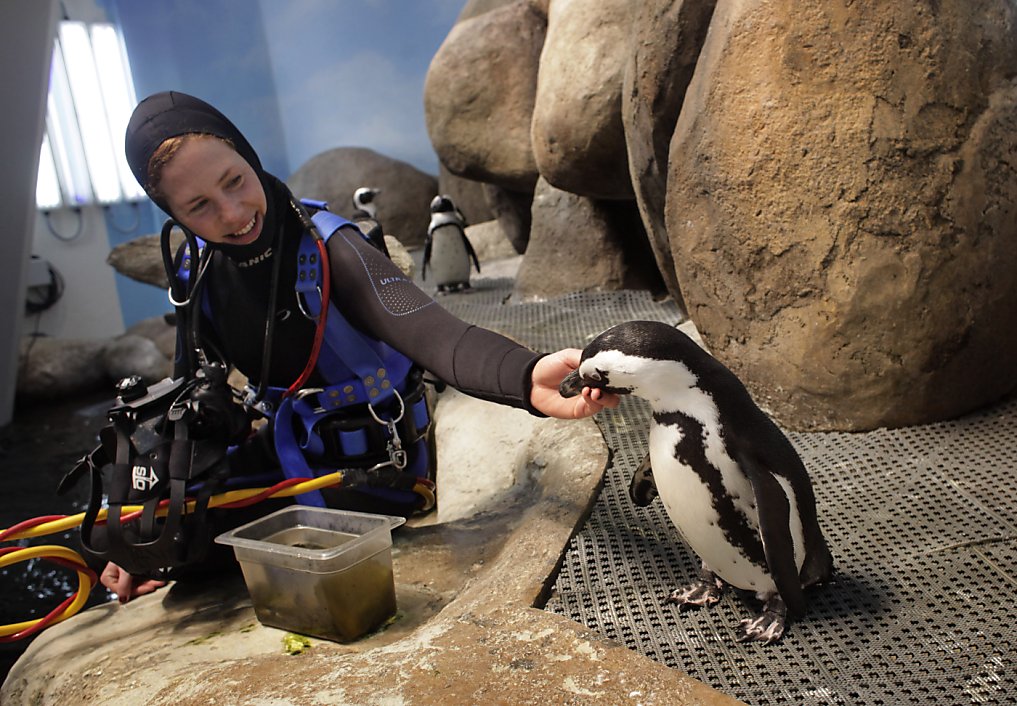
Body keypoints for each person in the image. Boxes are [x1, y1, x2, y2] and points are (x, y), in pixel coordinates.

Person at [100, 91, 617, 603]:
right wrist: (147, 520)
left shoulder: (327, 247)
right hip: (287, 458)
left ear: (247, 156)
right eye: (200, 206)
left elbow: (435, 334)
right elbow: (186, 406)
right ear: (173, 214)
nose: (233, 213)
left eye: (234, 181)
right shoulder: (199, 272)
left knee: (193, 547)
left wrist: (527, 377)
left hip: (372, 469)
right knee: (138, 532)